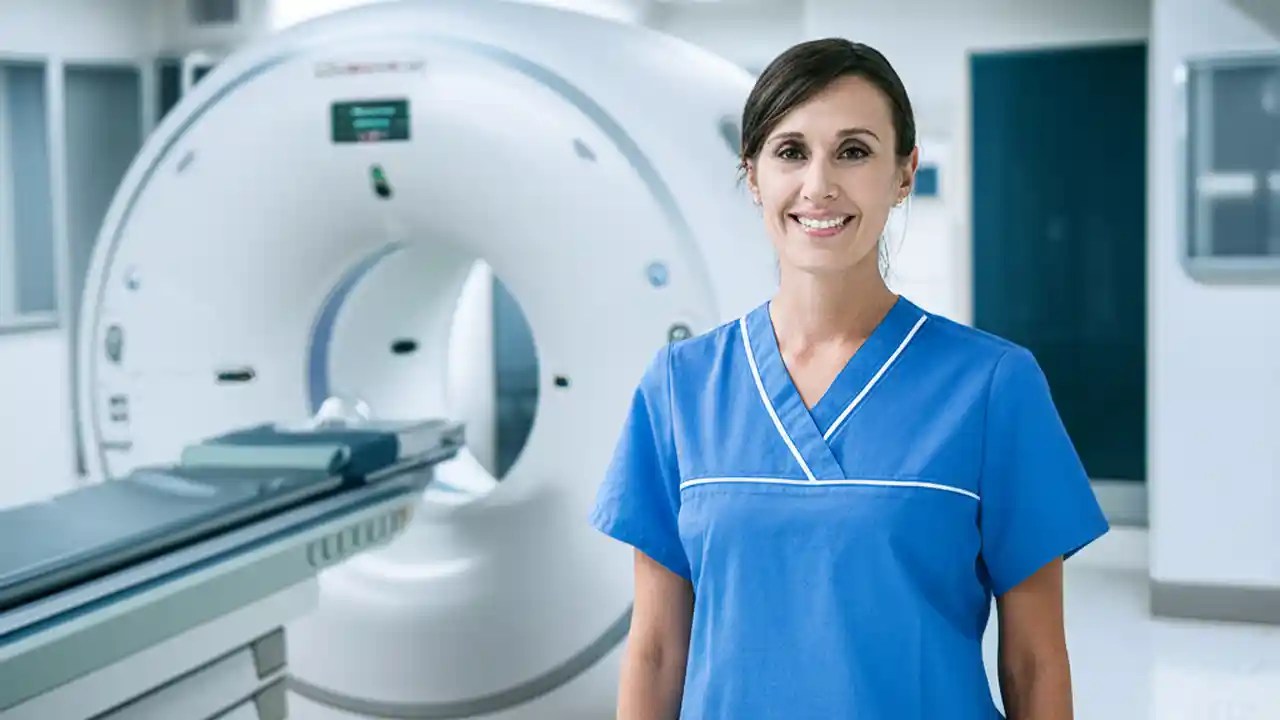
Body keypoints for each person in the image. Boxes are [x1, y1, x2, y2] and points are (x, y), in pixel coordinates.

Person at [588, 37, 1109, 720]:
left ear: (904, 173)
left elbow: (1034, 662)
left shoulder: (992, 386)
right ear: (754, 176)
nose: (819, 185)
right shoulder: (681, 388)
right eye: (791, 152)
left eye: (854, 151)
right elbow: (656, 651)